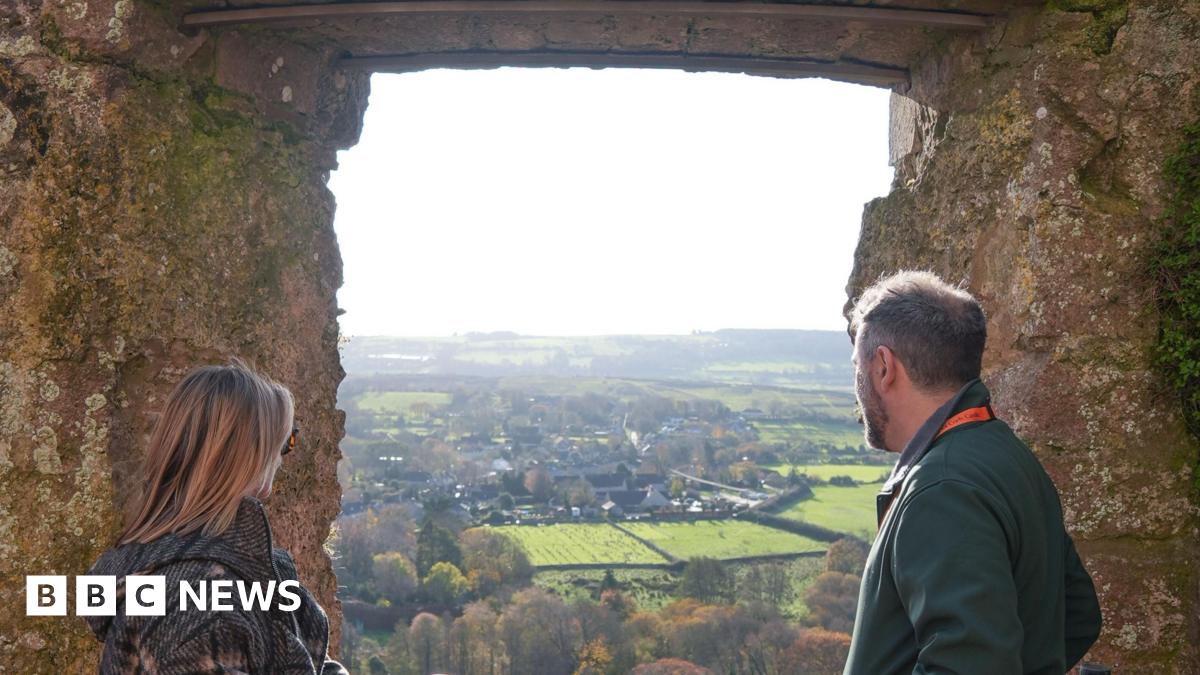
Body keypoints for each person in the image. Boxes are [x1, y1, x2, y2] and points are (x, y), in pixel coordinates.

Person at [843, 271, 1102, 674]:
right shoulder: (1003, 453)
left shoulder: (942, 488)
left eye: (857, 367)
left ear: (883, 367)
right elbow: (1078, 614)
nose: (856, 386)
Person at [84, 361, 348, 674]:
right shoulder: (200, 603)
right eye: (285, 442)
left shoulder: (207, 571)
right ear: (249, 454)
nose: (281, 458)